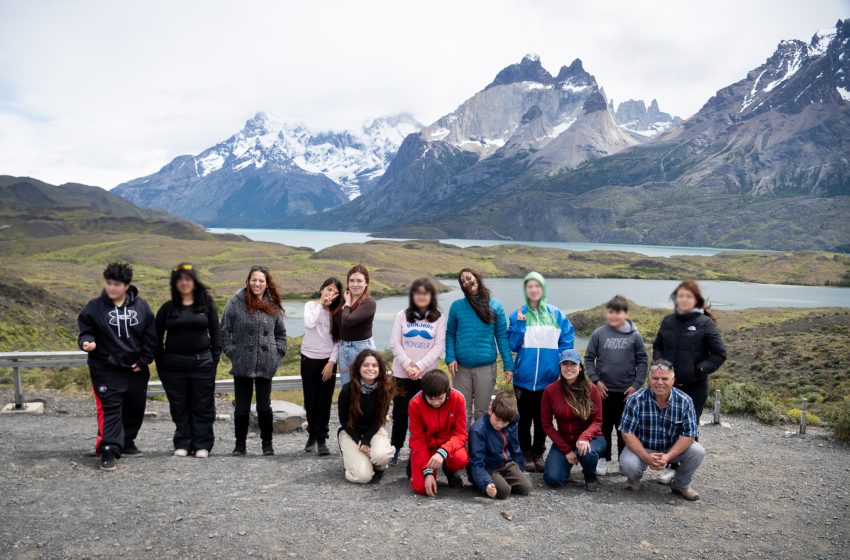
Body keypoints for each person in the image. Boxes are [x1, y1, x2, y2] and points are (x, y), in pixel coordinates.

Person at [77, 262, 157, 471]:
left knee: (135, 408)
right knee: (111, 410)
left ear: (126, 286)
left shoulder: (142, 307)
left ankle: (127, 442)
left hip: (135, 369)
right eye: (109, 283)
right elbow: (86, 330)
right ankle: (108, 450)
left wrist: (144, 360)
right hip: (106, 368)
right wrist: (86, 342)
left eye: (117, 284)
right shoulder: (94, 307)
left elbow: (151, 336)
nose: (112, 288)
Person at [652, 279, 726, 484]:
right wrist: (659, 365)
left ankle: (682, 472)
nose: (683, 300)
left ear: (696, 300)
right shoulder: (668, 321)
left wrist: (698, 370)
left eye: (688, 296)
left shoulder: (705, 323)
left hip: (694, 386)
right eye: (680, 296)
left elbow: (719, 354)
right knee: (669, 425)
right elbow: (658, 346)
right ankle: (671, 466)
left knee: (688, 427)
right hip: (669, 385)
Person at [507, 271, 575, 472]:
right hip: (523, 379)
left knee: (542, 419)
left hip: (548, 379)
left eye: (537, 286)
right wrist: (520, 325)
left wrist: (557, 362)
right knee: (523, 418)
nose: (534, 289)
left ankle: (538, 453)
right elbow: (513, 344)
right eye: (530, 286)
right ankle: (525, 453)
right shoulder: (517, 314)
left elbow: (567, 339)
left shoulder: (556, 314)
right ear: (525, 290)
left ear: (543, 288)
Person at [154, 263, 221, 458]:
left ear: (194, 281)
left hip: (202, 364)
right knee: (179, 405)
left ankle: (202, 444)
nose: (184, 283)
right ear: (175, 283)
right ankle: (182, 442)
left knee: (203, 404)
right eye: (180, 280)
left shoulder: (206, 306)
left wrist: (213, 360)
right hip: (173, 365)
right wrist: (161, 362)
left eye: (188, 279)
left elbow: (216, 334)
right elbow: (156, 338)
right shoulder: (167, 308)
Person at [220, 266, 287, 456]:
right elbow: (224, 331)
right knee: (241, 407)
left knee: (264, 407)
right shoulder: (234, 303)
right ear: (248, 281)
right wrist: (233, 353)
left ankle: (267, 444)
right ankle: (240, 445)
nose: (257, 284)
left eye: (261, 281)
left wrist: (277, 353)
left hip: (266, 363)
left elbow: (281, 334)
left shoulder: (273, 305)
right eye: (254, 280)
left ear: (266, 284)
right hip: (242, 363)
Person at [618, 360, 705, 501]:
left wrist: (668, 457)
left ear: (673, 380)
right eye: (655, 378)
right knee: (628, 464)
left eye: (665, 378)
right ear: (648, 379)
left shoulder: (685, 400)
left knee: (697, 451)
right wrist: (646, 457)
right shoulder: (635, 399)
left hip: (671, 448)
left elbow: (689, 434)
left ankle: (681, 484)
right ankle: (633, 479)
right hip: (643, 447)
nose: (659, 383)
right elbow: (627, 432)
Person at [584, 295, 648, 476]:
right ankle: (603, 458)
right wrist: (596, 381)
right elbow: (588, 359)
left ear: (625, 314)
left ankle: (623, 460)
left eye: (618, 312)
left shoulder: (634, 335)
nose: (614, 316)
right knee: (603, 427)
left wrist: (636, 385)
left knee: (624, 429)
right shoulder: (599, 333)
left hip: (627, 393)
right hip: (603, 392)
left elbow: (643, 361)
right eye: (611, 312)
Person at [388, 278, 447, 465]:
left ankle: (421, 449)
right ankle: (396, 448)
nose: (421, 296)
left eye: (425, 293)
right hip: (402, 374)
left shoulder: (438, 318)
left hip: (427, 376)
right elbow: (394, 343)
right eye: (418, 293)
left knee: (426, 414)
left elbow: (438, 347)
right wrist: (408, 365)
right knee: (400, 414)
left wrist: (419, 366)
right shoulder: (402, 315)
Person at [445, 268, 515, 424]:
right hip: (461, 368)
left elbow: (502, 338)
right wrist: (450, 357)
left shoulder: (495, 306)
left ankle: (477, 440)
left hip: (486, 367)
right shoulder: (457, 306)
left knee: (481, 412)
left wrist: (508, 366)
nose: (466, 282)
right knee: (462, 411)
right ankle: (462, 440)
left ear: (476, 277)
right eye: (462, 281)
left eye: (468, 278)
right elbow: (450, 334)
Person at [541, 349, 605, 492]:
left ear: (580, 367)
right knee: (552, 479)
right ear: (560, 367)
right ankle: (566, 464)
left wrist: (584, 437)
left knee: (586, 453)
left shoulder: (591, 389)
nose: (569, 368)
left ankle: (590, 475)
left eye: (573, 364)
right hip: (565, 439)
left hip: (591, 439)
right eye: (565, 364)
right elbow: (547, 425)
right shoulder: (550, 391)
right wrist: (566, 450)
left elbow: (597, 421)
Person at [337, 349, 396, 484]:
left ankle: (369, 460)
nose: (370, 368)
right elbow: (344, 421)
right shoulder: (347, 389)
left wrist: (367, 440)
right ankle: (349, 459)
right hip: (351, 433)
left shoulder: (384, 389)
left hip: (373, 431)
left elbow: (380, 419)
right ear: (358, 368)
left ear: (380, 368)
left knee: (382, 458)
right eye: (366, 365)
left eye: (374, 365)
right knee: (363, 477)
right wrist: (359, 440)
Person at [407, 369, 469, 496]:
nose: (435, 403)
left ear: (447, 390)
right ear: (423, 392)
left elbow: (461, 434)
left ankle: (449, 469)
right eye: (431, 398)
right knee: (422, 489)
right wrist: (427, 472)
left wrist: (443, 452)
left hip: (448, 445)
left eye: (440, 398)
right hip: (427, 445)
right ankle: (415, 460)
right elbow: (417, 439)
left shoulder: (458, 398)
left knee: (460, 459)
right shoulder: (415, 403)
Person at [301, 277, 343, 456]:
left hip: (327, 361)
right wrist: (321, 305)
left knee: (324, 401)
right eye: (329, 289)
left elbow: (338, 340)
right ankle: (312, 435)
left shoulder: (337, 312)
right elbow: (309, 324)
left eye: (335, 292)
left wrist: (331, 362)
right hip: (308, 358)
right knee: (310, 400)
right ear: (321, 289)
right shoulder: (310, 306)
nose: (331, 294)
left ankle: (321, 439)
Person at [468, 392, 532, 499]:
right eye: (497, 420)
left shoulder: (511, 421)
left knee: (526, 487)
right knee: (504, 491)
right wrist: (486, 483)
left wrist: (519, 467)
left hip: (506, 464)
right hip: (488, 467)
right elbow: (477, 462)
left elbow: (515, 447)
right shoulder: (478, 430)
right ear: (490, 410)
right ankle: (481, 481)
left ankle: (500, 481)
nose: (499, 425)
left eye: (504, 422)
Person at [336, 264, 377, 386]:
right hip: (343, 348)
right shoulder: (342, 300)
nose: (355, 284)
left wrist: (347, 303)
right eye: (351, 280)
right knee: (347, 387)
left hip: (362, 348)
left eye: (359, 281)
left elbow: (347, 322)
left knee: (364, 387)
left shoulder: (369, 303)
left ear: (366, 283)